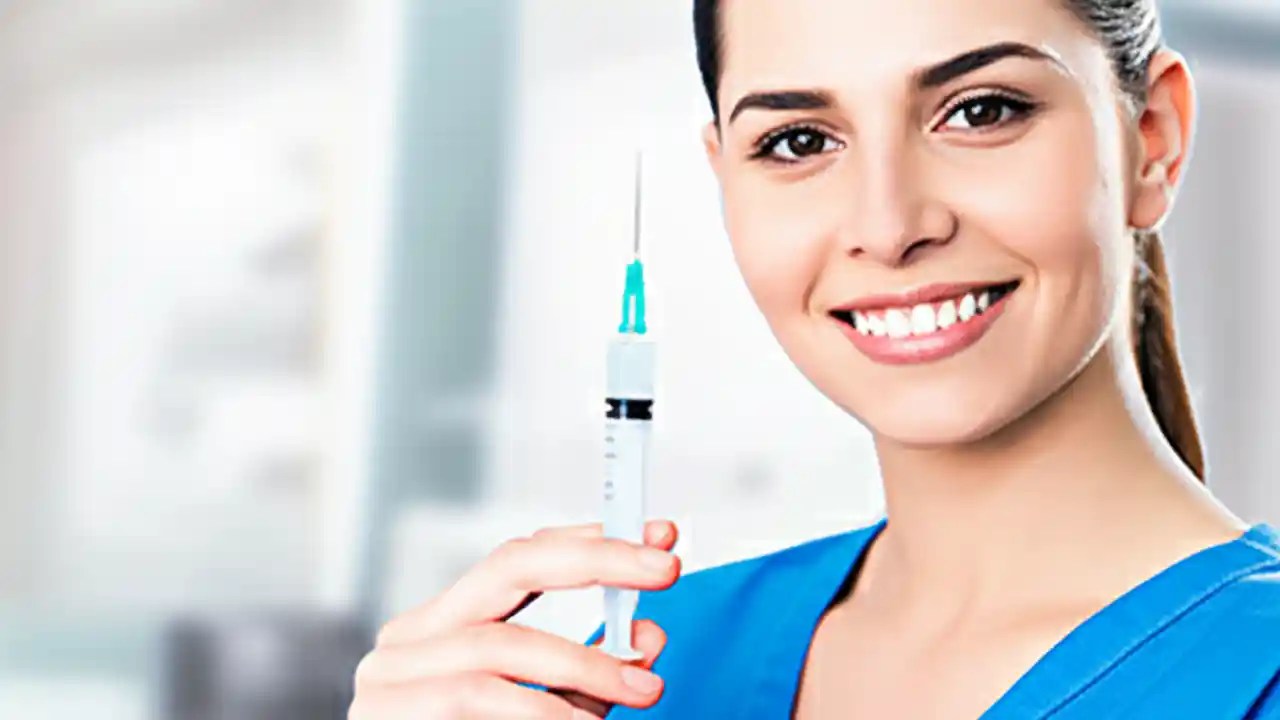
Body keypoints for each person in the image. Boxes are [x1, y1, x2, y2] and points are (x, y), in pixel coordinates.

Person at [348, 0, 1280, 717]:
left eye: (981, 110)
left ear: (1152, 140)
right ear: (725, 182)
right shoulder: (649, 662)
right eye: (798, 141)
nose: (889, 225)